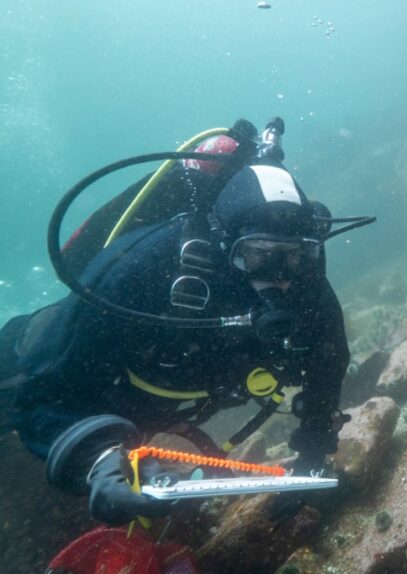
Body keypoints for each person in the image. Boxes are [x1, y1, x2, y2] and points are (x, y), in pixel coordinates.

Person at [0, 119, 367, 526]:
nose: (281, 276)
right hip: (31, 363)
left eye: (296, 256)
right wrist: (99, 461)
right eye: (258, 255)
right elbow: (44, 397)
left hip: (158, 403)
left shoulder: (306, 285)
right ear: (224, 244)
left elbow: (327, 363)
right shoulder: (142, 268)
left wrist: (313, 456)